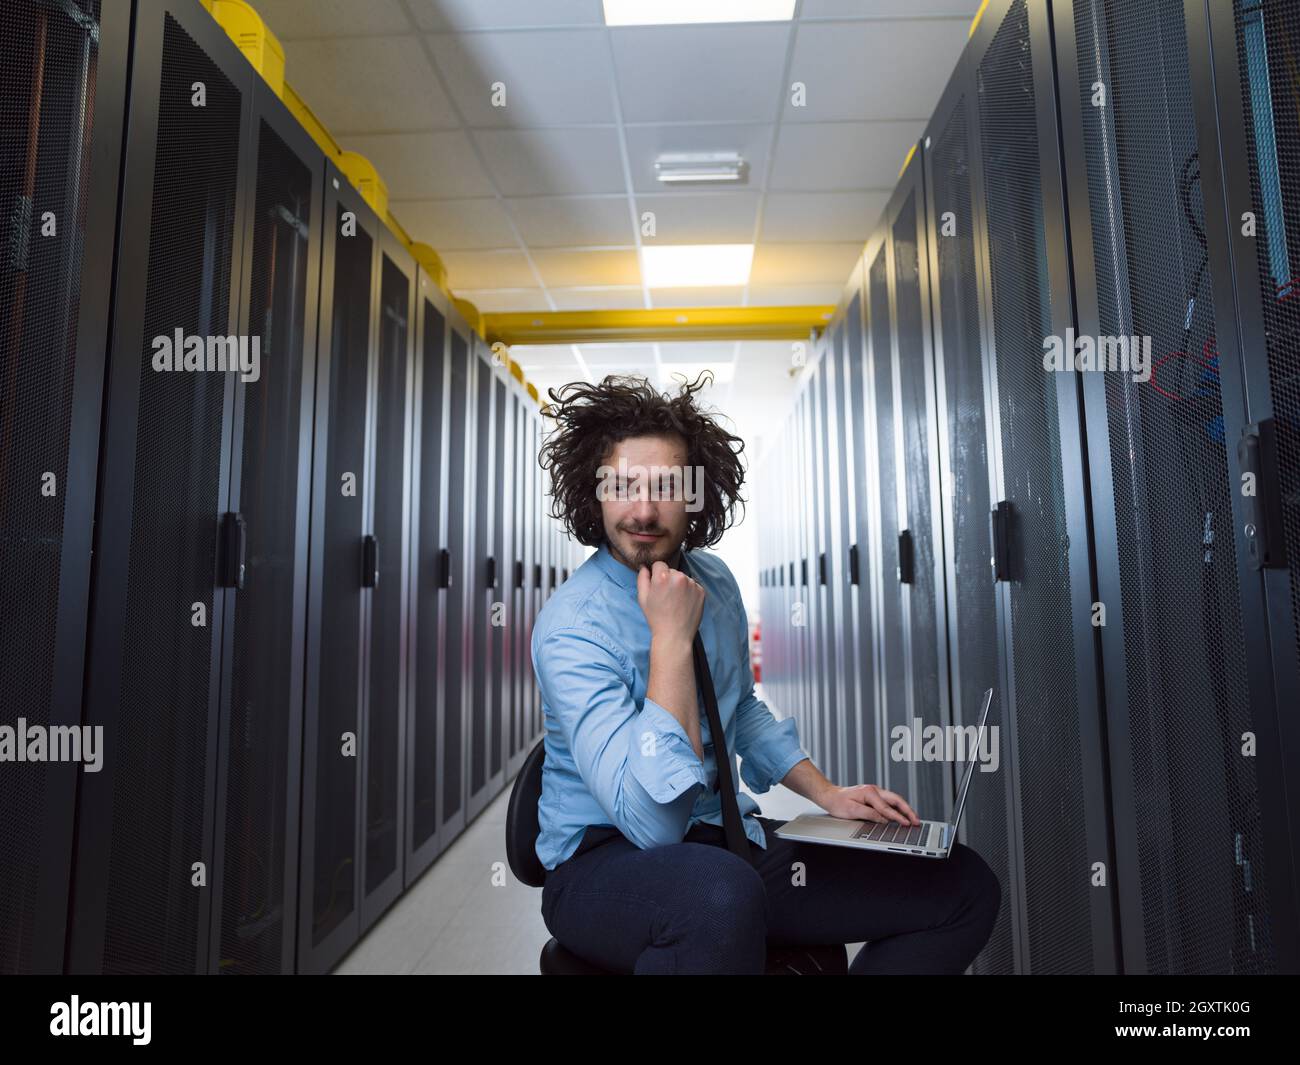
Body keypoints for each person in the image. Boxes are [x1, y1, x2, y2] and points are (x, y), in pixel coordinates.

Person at [531, 372, 1000, 975]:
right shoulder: (574, 626)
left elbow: (739, 708)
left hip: (724, 844)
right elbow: (651, 825)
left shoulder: (715, 582)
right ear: (593, 495)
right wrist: (670, 642)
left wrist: (825, 794)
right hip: (602, 867)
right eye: (622, 486)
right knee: (716, 895)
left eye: (666, 488)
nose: (643, 511)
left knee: (960, 884)